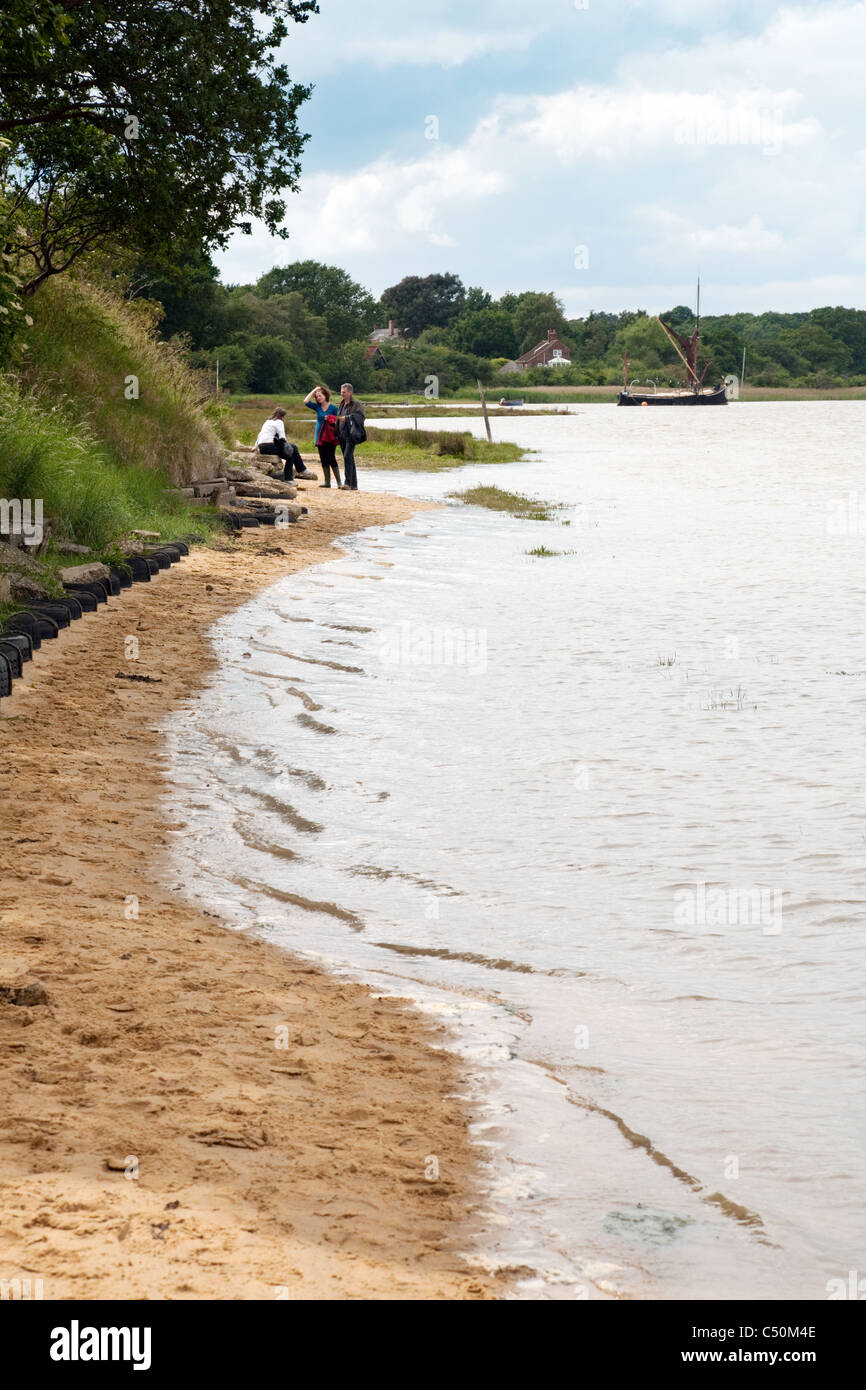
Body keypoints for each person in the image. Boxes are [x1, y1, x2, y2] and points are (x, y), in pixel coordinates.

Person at [303, 385, 342, 488]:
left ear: (325, 395)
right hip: (320, 436)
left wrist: (329, 418)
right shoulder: (317, 407)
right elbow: (306, 401)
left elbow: (339, 419)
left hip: (331, 436)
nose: (318, 398)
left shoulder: (333, 407)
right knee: (323, 458)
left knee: (331, 458)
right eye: (317, 396)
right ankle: (327, 482)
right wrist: (315, 390)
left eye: (320, 395)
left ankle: (339, 483)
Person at [254, 407, 307, 481]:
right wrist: (287, 446)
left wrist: (255, 446)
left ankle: (297, 472)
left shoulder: (267, 421)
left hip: (262, 447)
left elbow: (260, 435)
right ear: (282, 416)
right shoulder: (279, 422)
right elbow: (282, 438)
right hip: (269, 446)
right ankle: (297, 473)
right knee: (292, 450)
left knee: (291, 452)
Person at [336, 383, 366, 491]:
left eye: (344, 392)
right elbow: (338, 417)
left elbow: (361, 417)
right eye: (341, 392)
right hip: (342, 434)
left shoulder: (357, 404)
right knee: (349, 458)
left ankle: (347, 483)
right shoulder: (342, 403)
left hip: (352, 435)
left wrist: (348, 418)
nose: (342, 394)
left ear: (350, 392)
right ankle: (354, 485)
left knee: (347, 456)